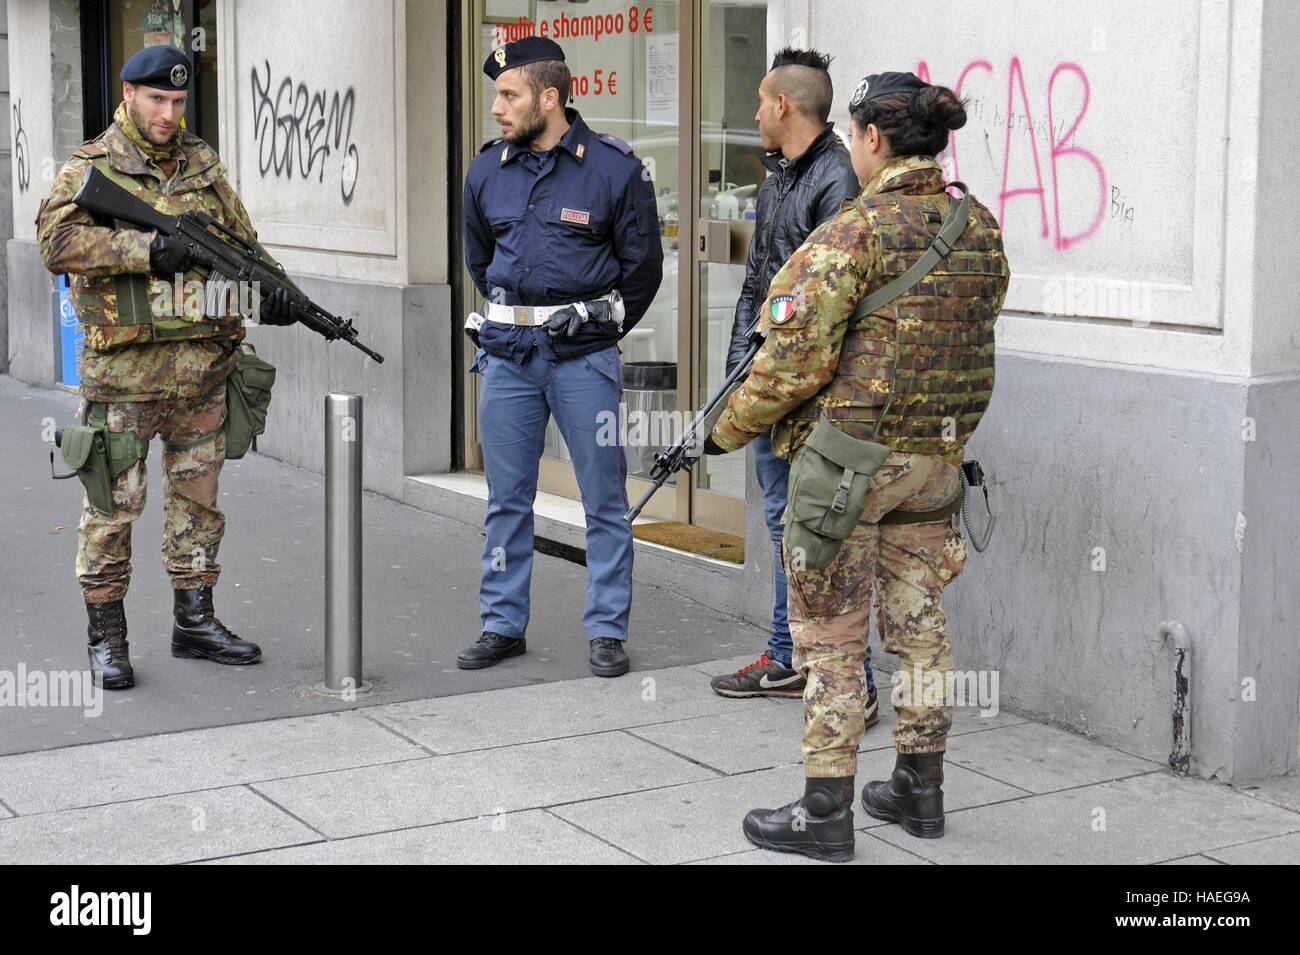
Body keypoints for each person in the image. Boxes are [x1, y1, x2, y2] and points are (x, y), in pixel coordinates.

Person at [703, 71, 1010, 861]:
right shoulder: (978, 226)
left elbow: (790, 363)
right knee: (919, 624)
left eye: (856, 133)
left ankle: (825, 809)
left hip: (849, 467)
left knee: (833, 637)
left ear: (873, 138)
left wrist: (720, 434)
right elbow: (971, 319)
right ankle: (920, 786)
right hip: (937, 461)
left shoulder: (853, 231)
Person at [36, 46, 299, 690]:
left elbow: (242, 242)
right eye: (157, 100)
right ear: (128, 92)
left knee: (199, 503)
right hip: (123, 378)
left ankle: (195, 619)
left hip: (202, 373)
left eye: (179, 102)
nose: (168, 113)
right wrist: (146, 248)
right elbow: (56, 242)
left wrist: (277, 290)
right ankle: (107, 636)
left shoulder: (202, 164)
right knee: (112, 507)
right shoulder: (91, 167)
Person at [459, 37, 664, 678]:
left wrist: (594, 329)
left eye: (508, 94)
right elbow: (479, 261)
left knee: (603, 500)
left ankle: (606, 629)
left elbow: (643, 271)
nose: (497, 106)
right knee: (505, 500)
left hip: (584, 363)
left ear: (549, 97)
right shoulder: (486, 169)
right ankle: (501, 624)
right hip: (508, 358)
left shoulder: (614, 170)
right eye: (498, 94)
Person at [706, 49, 877, 714]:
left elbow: (830, 305)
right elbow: (764, 285)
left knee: (817, 533)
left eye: (759, 100)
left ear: (783, 105)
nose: (753, 113)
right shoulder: (781, 175)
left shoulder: (835, 182)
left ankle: (847, 678)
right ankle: (787, 658)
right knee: (785, 526)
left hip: (810, 395)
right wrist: (742, 374)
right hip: (769, 378)